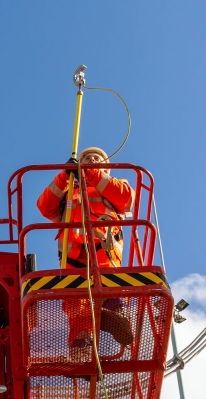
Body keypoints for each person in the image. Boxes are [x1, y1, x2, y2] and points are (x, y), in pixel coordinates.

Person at [35, 147, 135, 351]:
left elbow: (127, 198)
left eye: (97, 159)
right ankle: (81, 347)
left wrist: (90, 171)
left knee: (108, 282)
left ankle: (119, 318)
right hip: (73, 252)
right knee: (75, 301)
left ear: (106, 168)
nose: (91, 160)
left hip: (103, 244)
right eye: (87, 159)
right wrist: (64, 175)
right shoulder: (69, 192)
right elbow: (45, 207)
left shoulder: (116, 185)